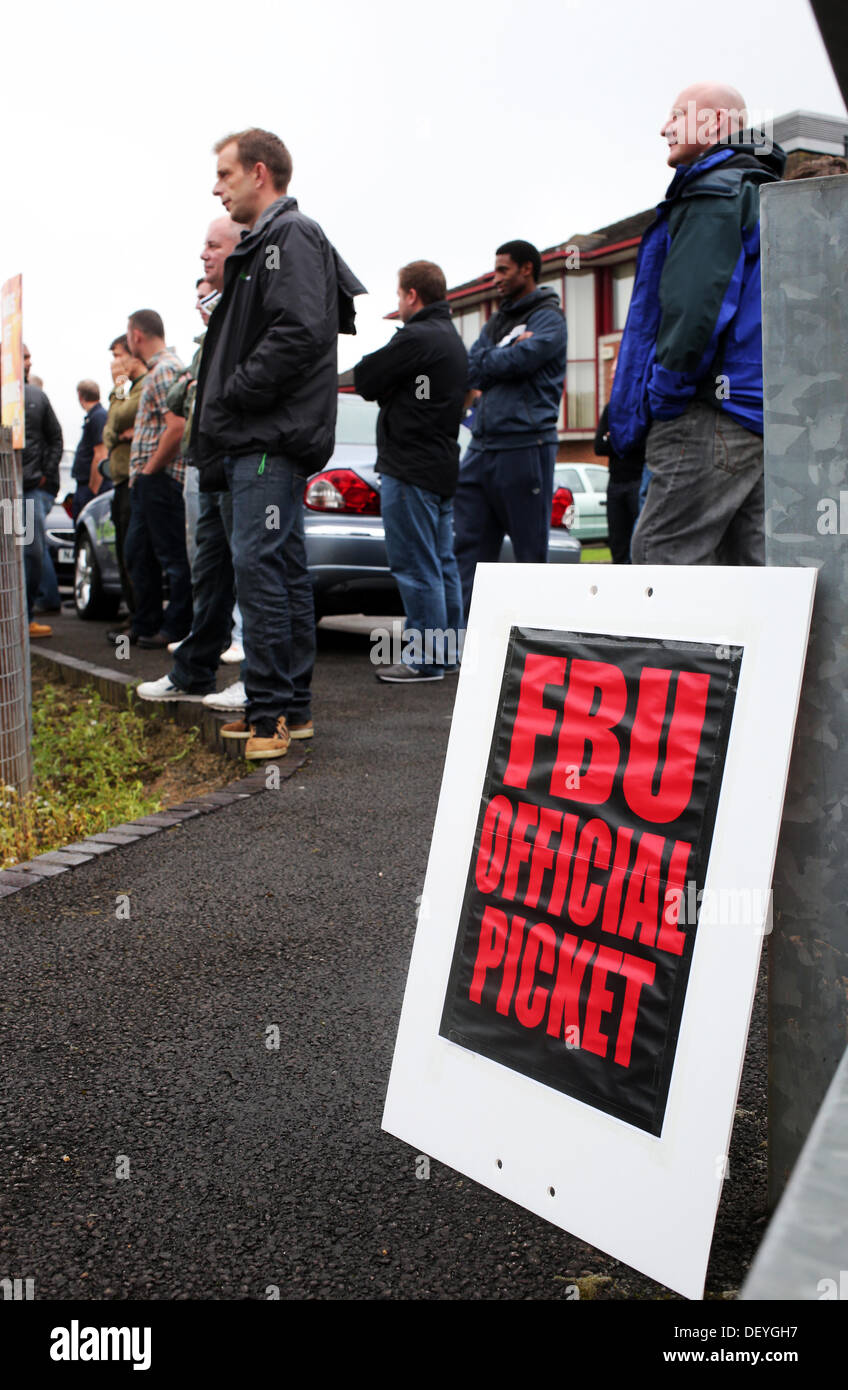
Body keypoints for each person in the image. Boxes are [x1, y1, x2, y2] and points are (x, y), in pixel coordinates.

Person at [190, 127, 365, 759]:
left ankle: (269, 717)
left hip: (265, 436)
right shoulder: (274, 240)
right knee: (283, 568)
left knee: (261, 569)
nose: (217, 186)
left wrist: (234, 392)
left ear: (259, 173)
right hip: (266, 435)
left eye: (226, 174)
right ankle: (290, 706)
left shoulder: (288, 235)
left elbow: (298, 331)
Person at [609, 82, 785, 566]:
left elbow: (694, 315)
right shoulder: (758, 193)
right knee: (748, 578)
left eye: (678, 115)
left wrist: (664, 398)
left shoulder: (712, 196)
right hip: (751, 417)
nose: (664, 128)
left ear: (714, 124)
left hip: (704, 414)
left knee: (660, 564)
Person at [353, 260, 467, 683]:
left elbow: (366, 377)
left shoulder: (417, 336)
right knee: (441, 564)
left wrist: (392, 384)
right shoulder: (451, 338)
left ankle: (425, 658)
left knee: (416, 566)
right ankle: (449, 651)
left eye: (399, 295)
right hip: (440, 466)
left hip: (410, 467)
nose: (398, 303)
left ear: (412, 295)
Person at [452, 240, 567, 617]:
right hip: (482, 448)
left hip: (525, 446)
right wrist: (503, 354)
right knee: (467, 549)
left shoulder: (549, 318)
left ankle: (532, 652)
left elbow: (524, 359)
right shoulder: (497, 322)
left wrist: (497, 359)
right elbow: (472, 368)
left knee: (529, 554)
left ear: (527, 269)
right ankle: (463, 645)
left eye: (503, 270)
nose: (495, 277)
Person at [121, 310, 191, 648]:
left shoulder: (165, 370)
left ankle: (175, 626)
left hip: (160, 478)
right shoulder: (160, 370)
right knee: (140, 553)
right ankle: (145, 623)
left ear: (136, 335)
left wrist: (149, 471)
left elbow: (176, 427)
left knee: (170, 554)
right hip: (151, 479)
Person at [103, 335, 147, 631]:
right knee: (123, 549)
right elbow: (109, 432)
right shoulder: (129, 391)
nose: (113, 363)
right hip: (119, 478)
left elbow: (118, 417)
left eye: (119, 355)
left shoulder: (138, 388)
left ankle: (143, 615)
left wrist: (118, 386)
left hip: (135, 479)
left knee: (135, 551)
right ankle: (135, 612)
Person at [20, 345, 63, 637]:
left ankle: (26, 615)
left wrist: (45, 475)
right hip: (7, 494)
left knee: (30, 553)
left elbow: (55, 438)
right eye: (23, 357)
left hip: (26, 492)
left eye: (29, 357)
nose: (29, 362)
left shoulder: (36, 396)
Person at [593, 361, 644, 564]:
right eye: (612, 372)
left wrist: (614, 438)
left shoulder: (640, 407)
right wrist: (623, 439)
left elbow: (641, 446)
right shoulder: (610, 409)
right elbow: (599, 446)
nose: (612, 376)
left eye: (616, 371)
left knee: (638, 540)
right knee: (617, 542)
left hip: (636, 483)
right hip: (614, 485)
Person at [71, 381, 108, 520]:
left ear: (80, 396)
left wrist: (93, 491)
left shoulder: (98, 416)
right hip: (86, 484)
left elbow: (100, 455)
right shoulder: (94, 416)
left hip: (91, 486)